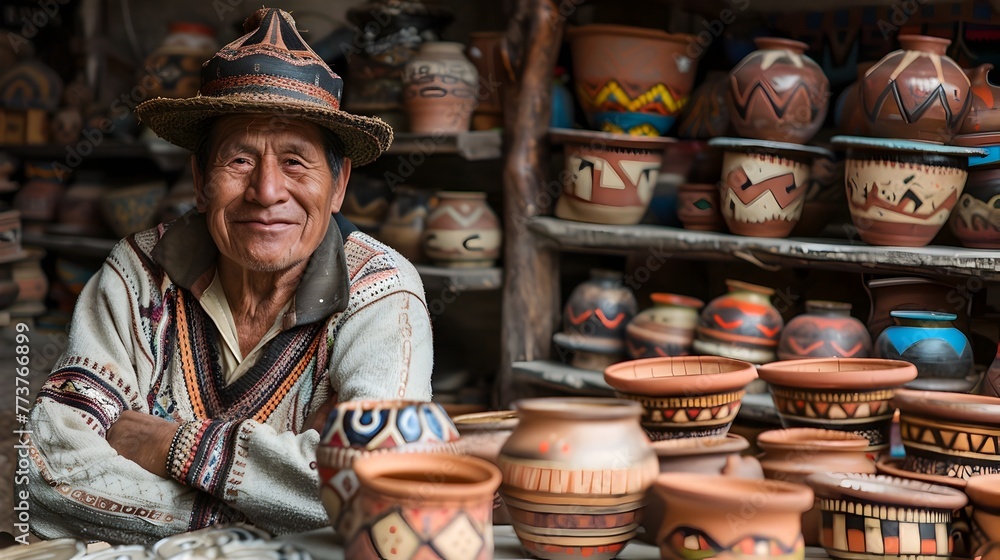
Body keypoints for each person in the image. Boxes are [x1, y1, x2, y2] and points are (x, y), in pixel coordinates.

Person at [23, 7, 433, 545]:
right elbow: (47, 470)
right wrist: (264, 513)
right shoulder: (137, 273)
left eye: (295, 161)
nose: (266, 192)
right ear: (200, 180)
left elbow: (381, 478)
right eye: (239, 160)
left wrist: (170, 446)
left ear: (338, 185)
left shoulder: (380, 290)